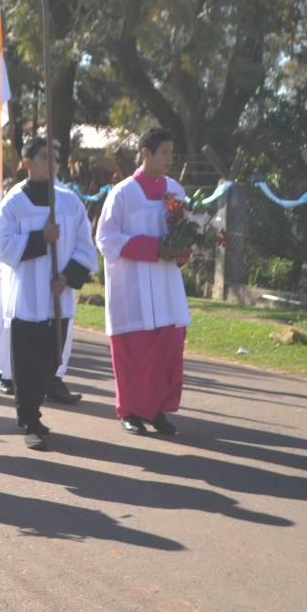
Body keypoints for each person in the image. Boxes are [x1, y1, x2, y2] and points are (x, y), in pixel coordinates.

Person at [0, 139, 98, 449]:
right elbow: (2, 247)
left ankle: (36, 405)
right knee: (27, 363)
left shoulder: (68, 201)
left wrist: (67, 277)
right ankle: (30, 420)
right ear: (26, 162)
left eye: (56, 157)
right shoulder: (13, 203)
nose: (51, 163)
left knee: (51, 358)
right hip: (27, 298)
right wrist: (40, 238)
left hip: (58, 298)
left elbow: (84, 246)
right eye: (43, 157)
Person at [95, 127, 191, 435]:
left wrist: (182, 251)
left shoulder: (175, 190)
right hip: (132, 285)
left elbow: (187, 232)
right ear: (145, 153)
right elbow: (106, 239)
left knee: (168, 348)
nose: (168, 159)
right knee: (133, 350)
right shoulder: (122, 193)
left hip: (166, 285)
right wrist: (153, 249)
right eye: (163, 153)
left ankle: (158, 410)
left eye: (171, 154)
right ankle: (130, 411)